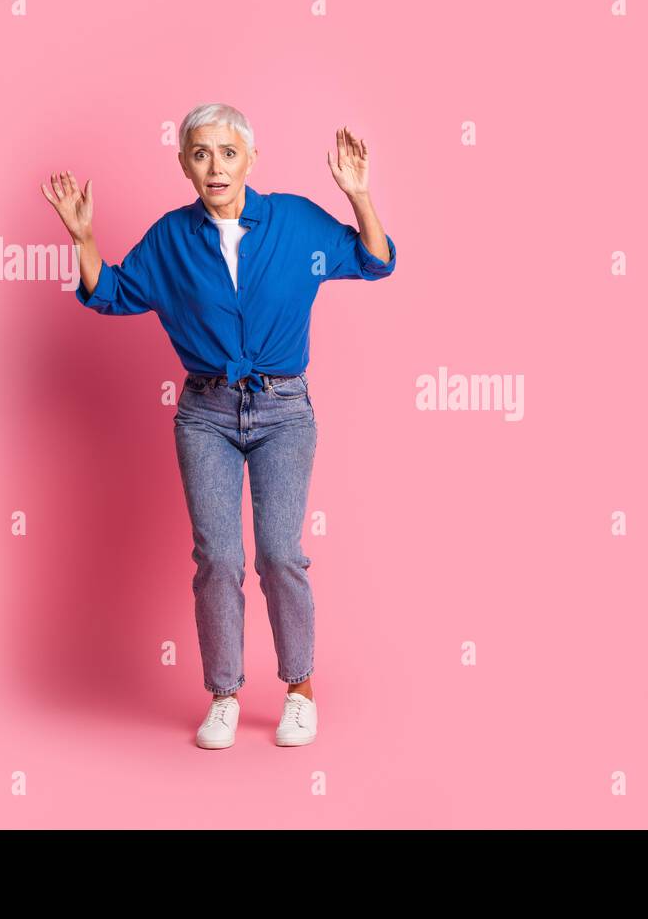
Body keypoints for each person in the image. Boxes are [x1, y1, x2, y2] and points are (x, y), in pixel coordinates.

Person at [41, 103, 397, 749]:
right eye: (200, 153)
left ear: (250, 160)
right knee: (218, 560)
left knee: (280, 553)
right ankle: (225, 694)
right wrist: (82, 238)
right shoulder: (173, 238)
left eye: (228, 153)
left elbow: (374, 261)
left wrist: (360, 195)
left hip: (284, 410)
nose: (215, 166)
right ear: (183, 165)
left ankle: (299, 690)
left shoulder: (294, 221)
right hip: (205, 414)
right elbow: (113, 293)